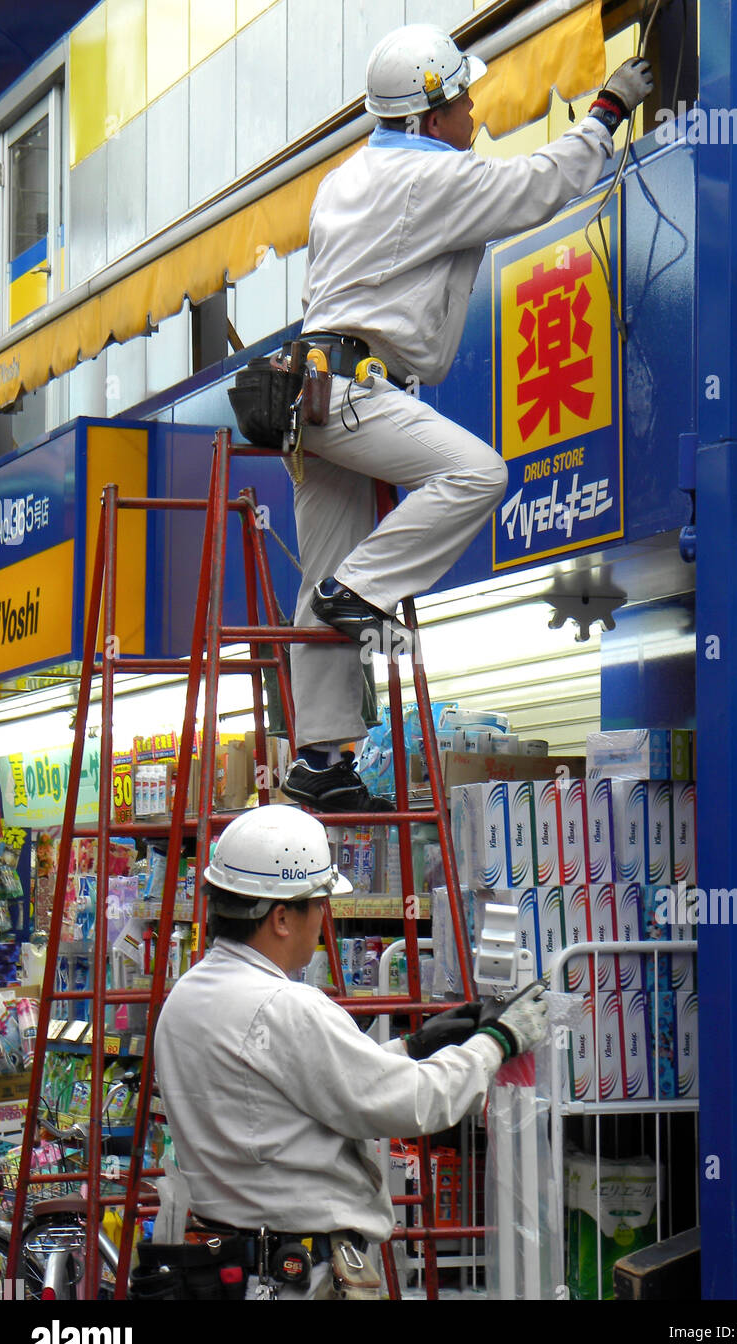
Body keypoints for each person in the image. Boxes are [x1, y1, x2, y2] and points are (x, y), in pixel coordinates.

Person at [279, 24, 653, 813]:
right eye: (460, 100)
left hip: (305, 397)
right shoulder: (431, 179)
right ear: (425, 116)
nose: (472, 110)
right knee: (478, 472)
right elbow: (540, 185)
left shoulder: (346, 179)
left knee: (321, 577)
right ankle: (365, 592)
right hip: (353, 391)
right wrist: (608, 109)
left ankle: (317, 759)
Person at [151, 805, 549, 1300]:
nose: (323, 918)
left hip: (233, 1266)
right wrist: (499, 1042)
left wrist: (416, 1045)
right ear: (280, 917)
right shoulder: (283, 1006)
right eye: (318, 904)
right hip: (297, 1274)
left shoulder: (187, 998)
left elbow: (298, 1092)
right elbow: (414, 1103)